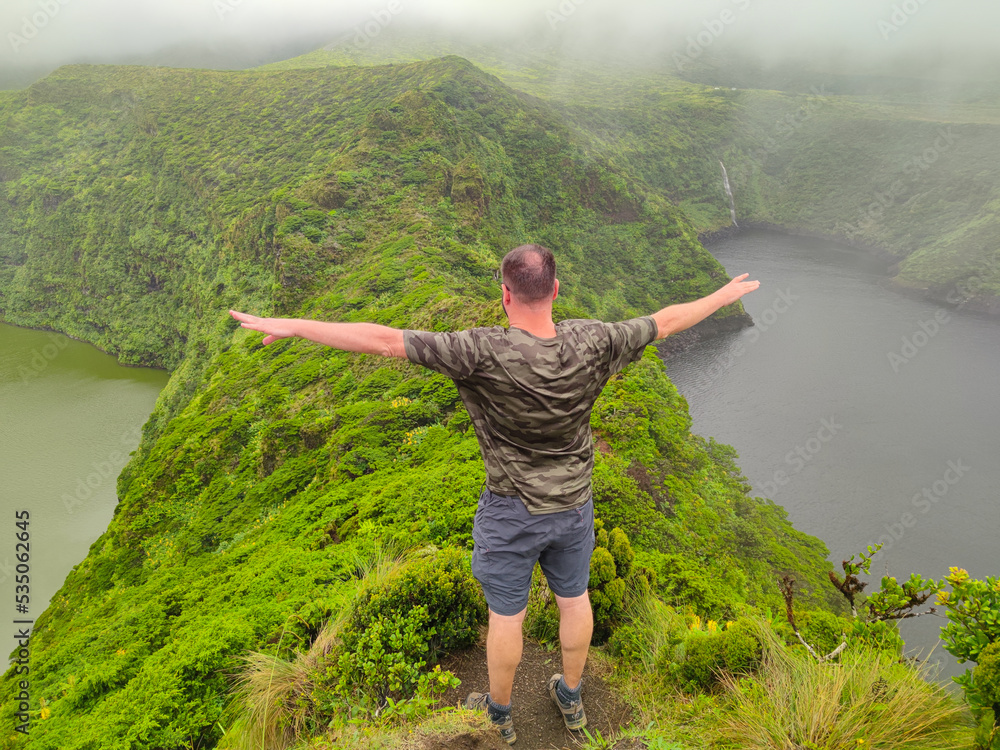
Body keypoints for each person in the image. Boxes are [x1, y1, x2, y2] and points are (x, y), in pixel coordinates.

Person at [229, 244, 759, 745]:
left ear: (505, 293)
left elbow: (386, 340)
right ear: (556, 290)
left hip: (511, 509)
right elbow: (665, 321)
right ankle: (571, 698)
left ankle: (500, 716)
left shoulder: (480, 351)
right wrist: (720, 296)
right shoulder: (594, 341)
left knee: (508, 615)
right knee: (574, 600)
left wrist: (296, 326)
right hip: (574, 504)